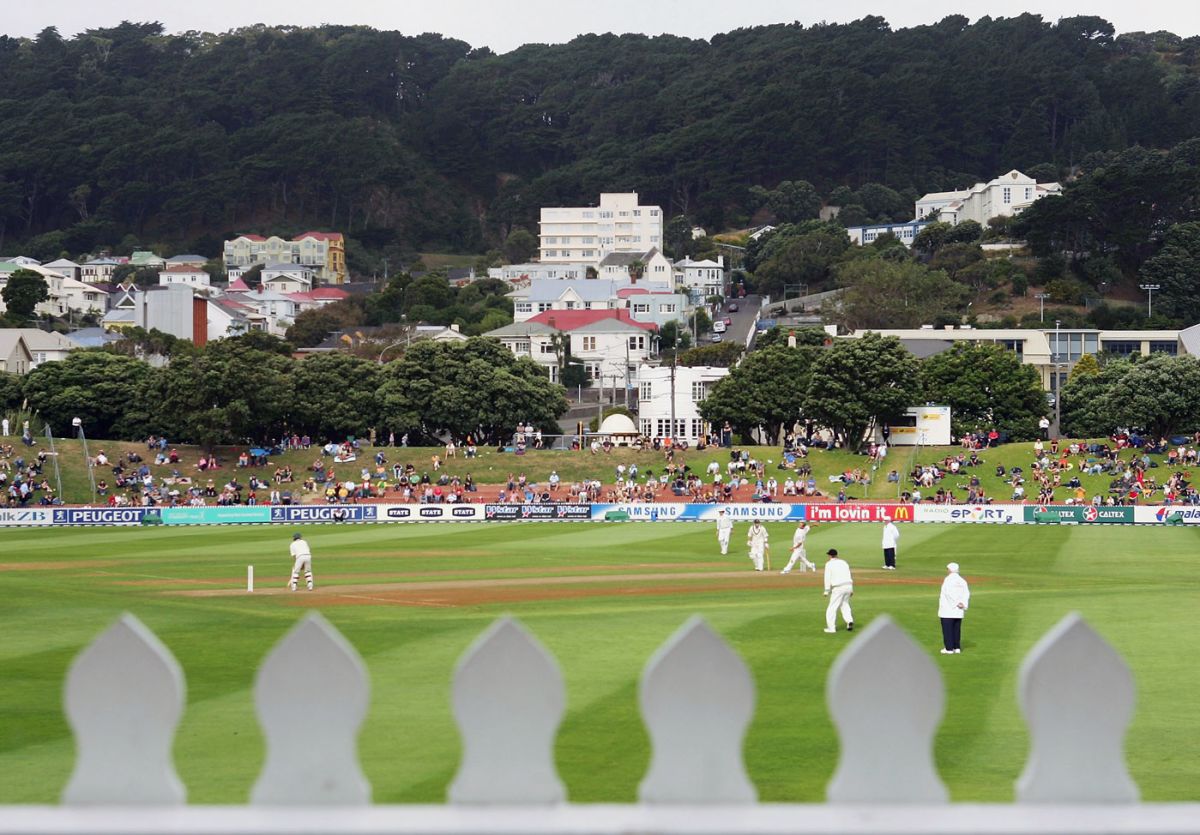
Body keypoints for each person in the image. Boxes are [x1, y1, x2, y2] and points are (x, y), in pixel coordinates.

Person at [938, 562, 970, 654]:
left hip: (948, 609)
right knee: (956, 628)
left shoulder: (948, 579)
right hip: (959, 609)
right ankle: (957, 647)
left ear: (950, 570)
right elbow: (966, 593)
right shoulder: (962, 580)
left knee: (947, 629)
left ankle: (949, 648)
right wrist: (963, 603)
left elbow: (948, 593)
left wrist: (956, 603)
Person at [823, 548, 854, 633]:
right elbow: (849, 574)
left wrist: (826, 590)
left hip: (838, 587)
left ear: (829, 556)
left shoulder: (828, 564)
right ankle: (849, 621)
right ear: (837, 555)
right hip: (848, 585)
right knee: (845, 604)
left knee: (832, 608)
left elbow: (827, 577)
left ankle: (831, 628)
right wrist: (851, 588)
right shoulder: (844, 562)